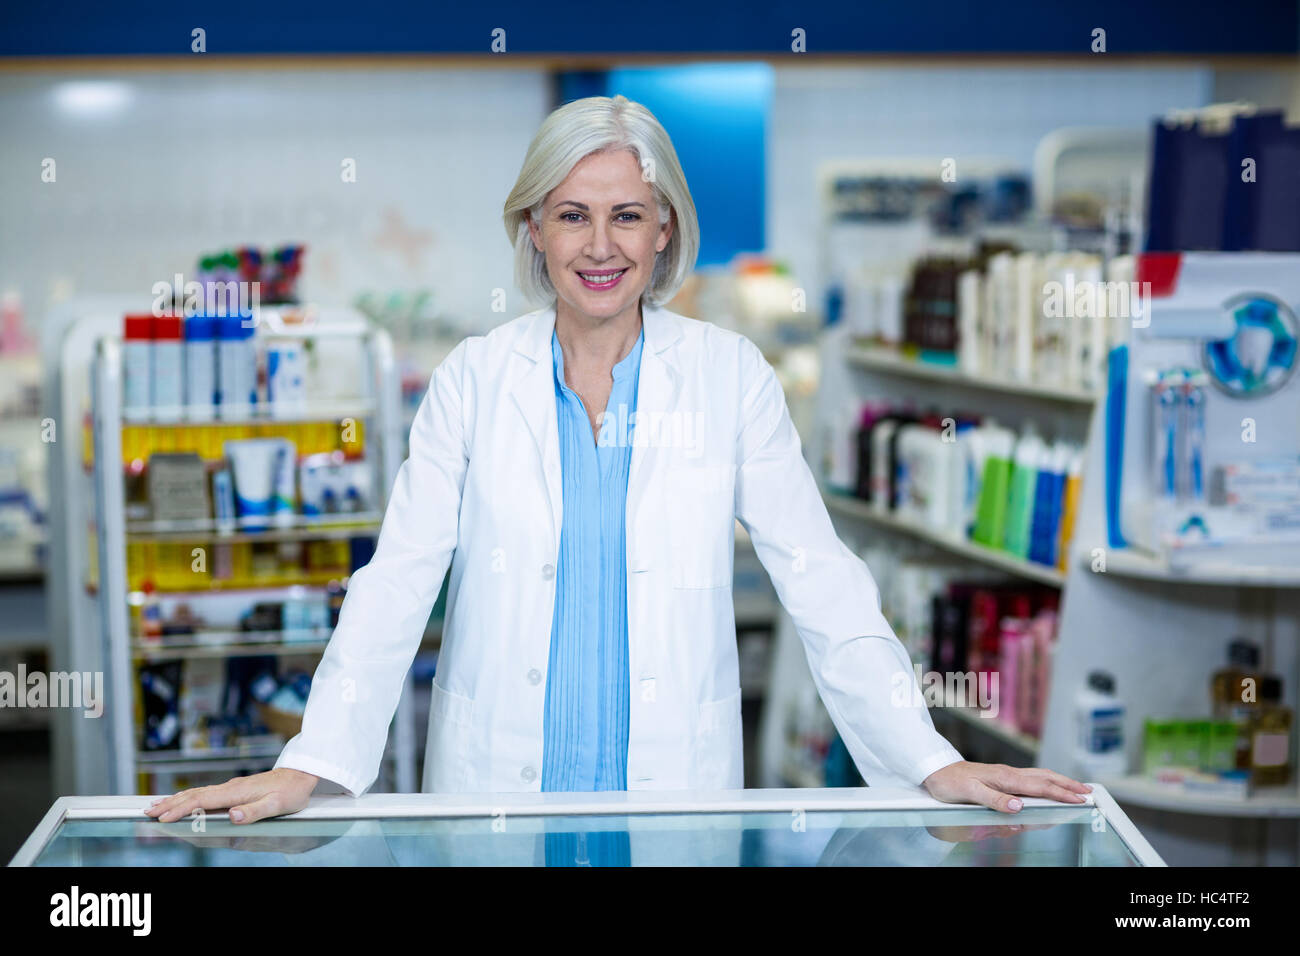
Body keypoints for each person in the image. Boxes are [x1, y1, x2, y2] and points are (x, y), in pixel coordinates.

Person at [147, 94, 1090, 828]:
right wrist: (315, 758)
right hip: (497, 800)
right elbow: (395, 584)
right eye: (571, 216)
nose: (601, 248)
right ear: (532, 230)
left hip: (674, 799)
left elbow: (823, 581)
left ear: (665, 229)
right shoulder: (473, 382)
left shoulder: (730, 378)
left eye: (628, 216)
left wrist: (927, 758)